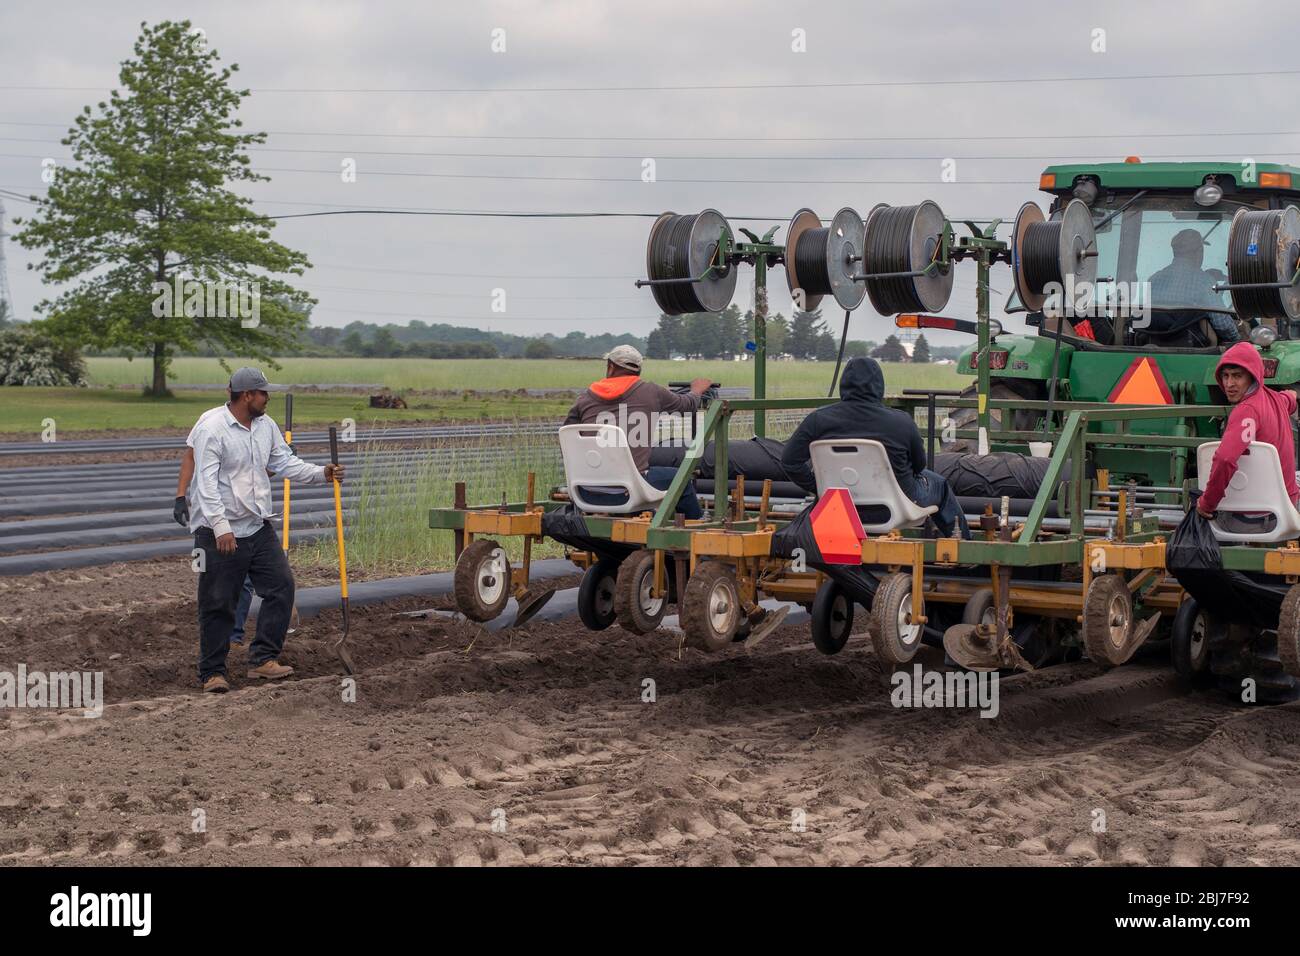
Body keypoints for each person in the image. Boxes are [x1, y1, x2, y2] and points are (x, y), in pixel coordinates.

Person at [189, 368, 344, 694]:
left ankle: (262, 659)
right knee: (218, 602)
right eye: (263, 393)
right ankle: (212, 673)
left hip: (258, 526)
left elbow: (285, 463)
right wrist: (221, 527)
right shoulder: (212, 428)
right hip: (219, 532)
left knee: (281, 587)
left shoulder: (265, 427)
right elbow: (205, 485)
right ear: (247, 396)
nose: (268, 398)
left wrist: (322, 473)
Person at [781, 356, 971, 539]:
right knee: (939, 484)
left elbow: (789, 462)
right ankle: (962, 547)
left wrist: (821, 489)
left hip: (840, 508)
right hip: (896, 507)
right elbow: (919, 466)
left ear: (843, 384)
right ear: (879, 386)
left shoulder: (817, 420)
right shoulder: (901, 422)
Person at [563, 345, 711, 519]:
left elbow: (567, 439)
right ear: (638, 370)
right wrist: (696, 390)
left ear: (610, 367)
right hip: (628, 492)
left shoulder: (585, 398)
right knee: (682, 478)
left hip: (585, 492)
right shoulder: (651, 392)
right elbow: (687, 405)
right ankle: (695, 528)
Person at [174, 400, 255, 645]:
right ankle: (210, 633)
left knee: (244, 580)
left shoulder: (258, 427)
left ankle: (234, 636)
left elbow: (257, 472)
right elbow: (190, 457)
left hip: (243, 516)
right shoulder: (209, 422)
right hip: (208, 519)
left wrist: (280, 462)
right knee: (207, 573)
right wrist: (180, 496)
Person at [1197, 342, 1299, 519]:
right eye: (1225, 376)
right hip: (1287, 507)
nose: (1229, 384)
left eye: (1237, 376)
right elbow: (1288, 399)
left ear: (1252, 376)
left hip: (1256, 515)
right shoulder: (1275, 399)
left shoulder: (1246, 410)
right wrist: (1293, 395)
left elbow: (1225, 459)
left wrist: (1207, 504)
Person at [1147, 228, 1239, 345]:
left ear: (1175, 252)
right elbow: (1223, 325)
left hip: (1155, 345)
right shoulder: (1204, 281)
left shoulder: (1154, 279)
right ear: (1199, 252)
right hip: (1195, 350)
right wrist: (1238, 337)